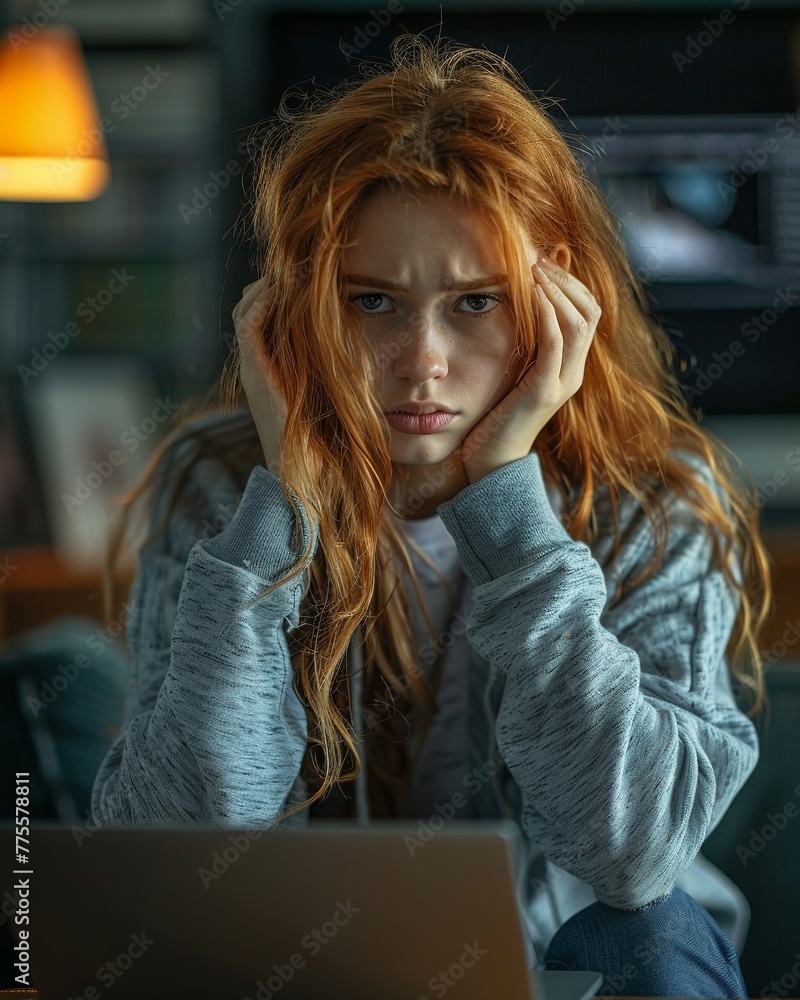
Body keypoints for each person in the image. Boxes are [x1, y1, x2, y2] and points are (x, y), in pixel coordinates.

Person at [91, 34, 772, 997]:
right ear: (300, 310)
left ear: (558, 305)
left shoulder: (653, 503)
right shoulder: (220, 490)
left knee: (645, 939)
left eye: (474, 303)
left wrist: (510, 508)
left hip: (581, 971)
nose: (421, 363)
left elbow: (633, 856)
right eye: (372, 303)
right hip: (307, 967)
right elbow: (180, 843)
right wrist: (283, 505)